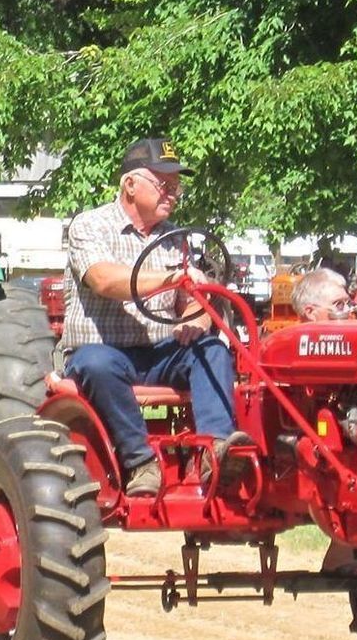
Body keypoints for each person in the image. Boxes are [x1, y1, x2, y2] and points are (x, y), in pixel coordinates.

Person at [60, 137, 249, 498]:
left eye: (176, 186)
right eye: (164, 184)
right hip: (101, 351)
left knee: (212, 349)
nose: (173, 194)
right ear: (130, 185)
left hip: (159, 352)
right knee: (97, 363)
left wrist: (195, 320)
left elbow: (196, 301)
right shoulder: (89, 226)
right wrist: (169, 278)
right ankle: (140, 462)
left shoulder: (175, 239)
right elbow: (103, 279)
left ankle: (216, 454)